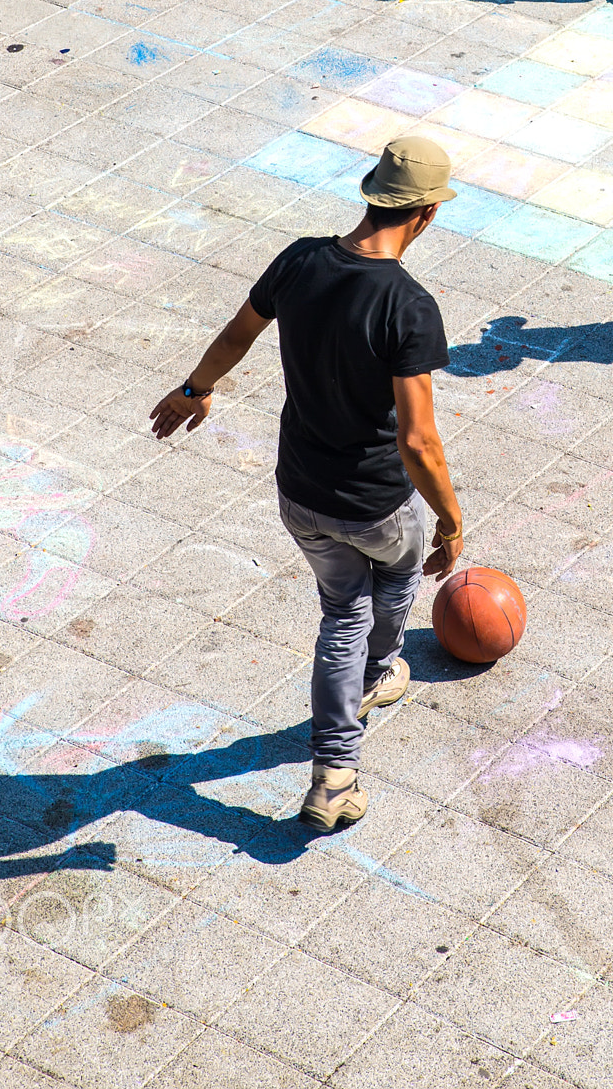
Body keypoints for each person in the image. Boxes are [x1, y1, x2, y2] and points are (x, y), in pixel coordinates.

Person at [149, 135, 464, 833]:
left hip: (300, 493)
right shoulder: (407, 305)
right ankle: (337, 768)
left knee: (347, 607)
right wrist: (449, 519)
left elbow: (238, 334)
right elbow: (417, 441)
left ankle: (372, 689)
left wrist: (195, 389)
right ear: (427, 214)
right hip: (377, 502)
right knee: (383, 591)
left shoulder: (299, 259)